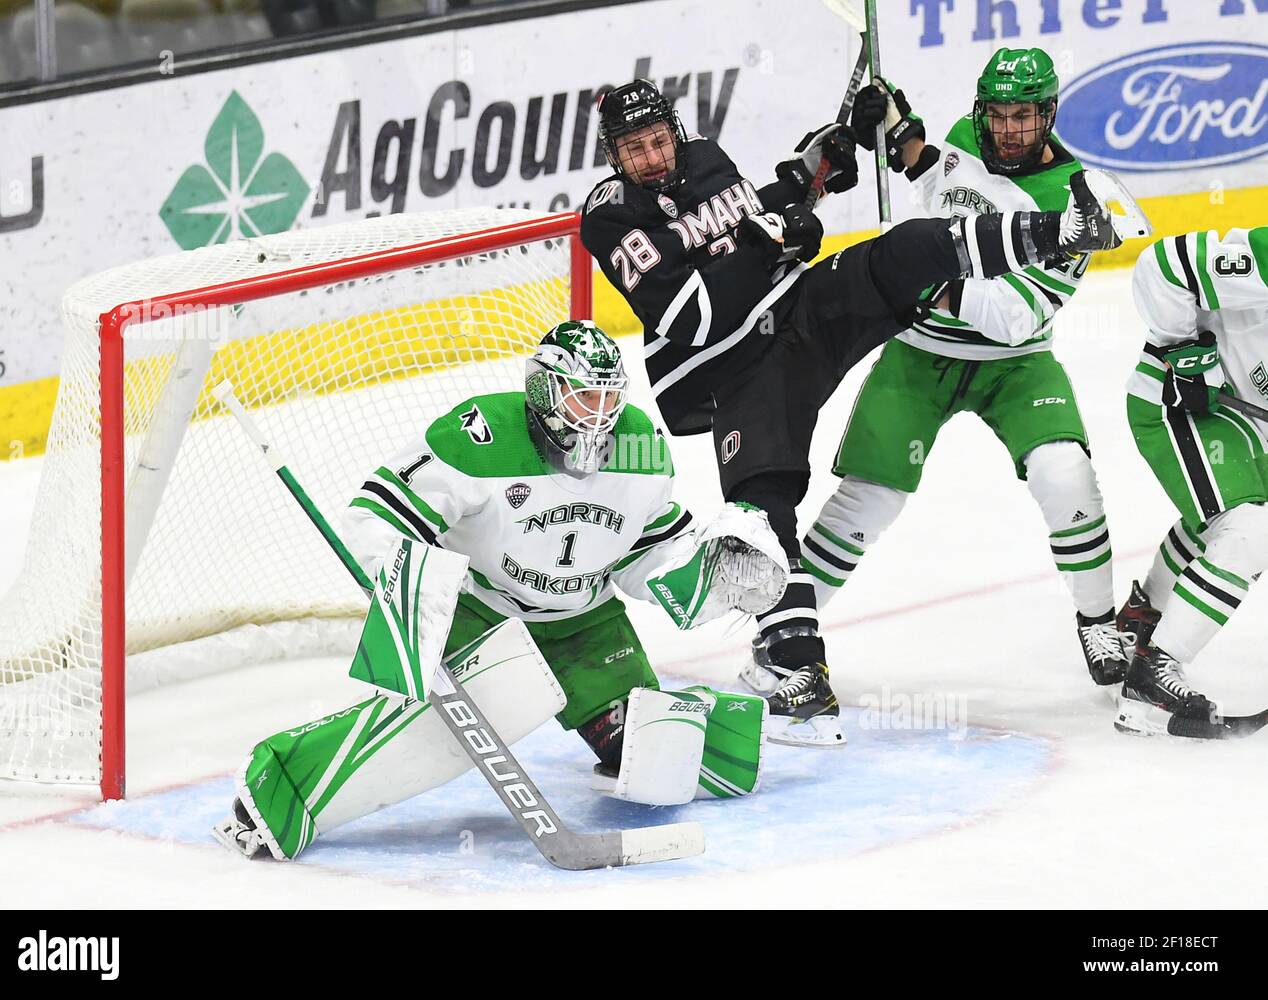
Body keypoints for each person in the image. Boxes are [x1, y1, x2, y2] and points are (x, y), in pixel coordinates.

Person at [580, 77, 1127, 744]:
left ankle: (1063, 227)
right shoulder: (609, 217)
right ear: (614, 153)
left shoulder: (708, 159)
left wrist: (821, 164)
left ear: (676, 131)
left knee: (905, 252)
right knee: (762, 505)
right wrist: (778, 239)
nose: (652, 157)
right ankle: (795, 673)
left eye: (659, 140)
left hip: (800, 315)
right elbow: (690, 314)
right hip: (730, 368)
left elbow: (763, 207)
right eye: (634, 148)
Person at [212, 321, 787, 860]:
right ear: (544, 391)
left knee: (661, 758)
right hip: (484, 615)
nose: (601, 416)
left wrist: (704, 569)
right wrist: (406, 586)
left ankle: (695, 726)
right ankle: (282, 784)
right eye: (585, 397)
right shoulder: (479, 436)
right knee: (435, 737)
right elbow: (379, 513)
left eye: (611, 399)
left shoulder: (638, 445)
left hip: (586, 625)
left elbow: (645, 549)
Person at [746, 48, 1131, 694]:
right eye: (998, 115)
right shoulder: (965, 139)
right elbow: (936, 178)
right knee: (866, 502)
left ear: (1050, 115)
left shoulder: (1077, 204)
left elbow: (1013, 319)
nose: (1008, 130)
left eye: (1024, 117)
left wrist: (927, 285)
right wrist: (894, 125)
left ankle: (1099, 621)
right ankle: (780, 635)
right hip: (921, 352)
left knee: (1065, 474)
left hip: (1015, 363)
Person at [1115, 227, 1268, 738]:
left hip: (1243, 424)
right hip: (1181, 404)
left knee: (1227, 524)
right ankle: (1153, 675)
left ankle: (1144, 619)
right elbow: (1164, 262)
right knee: (1249, 531)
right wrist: (1186, 350)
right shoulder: (1261, 258)